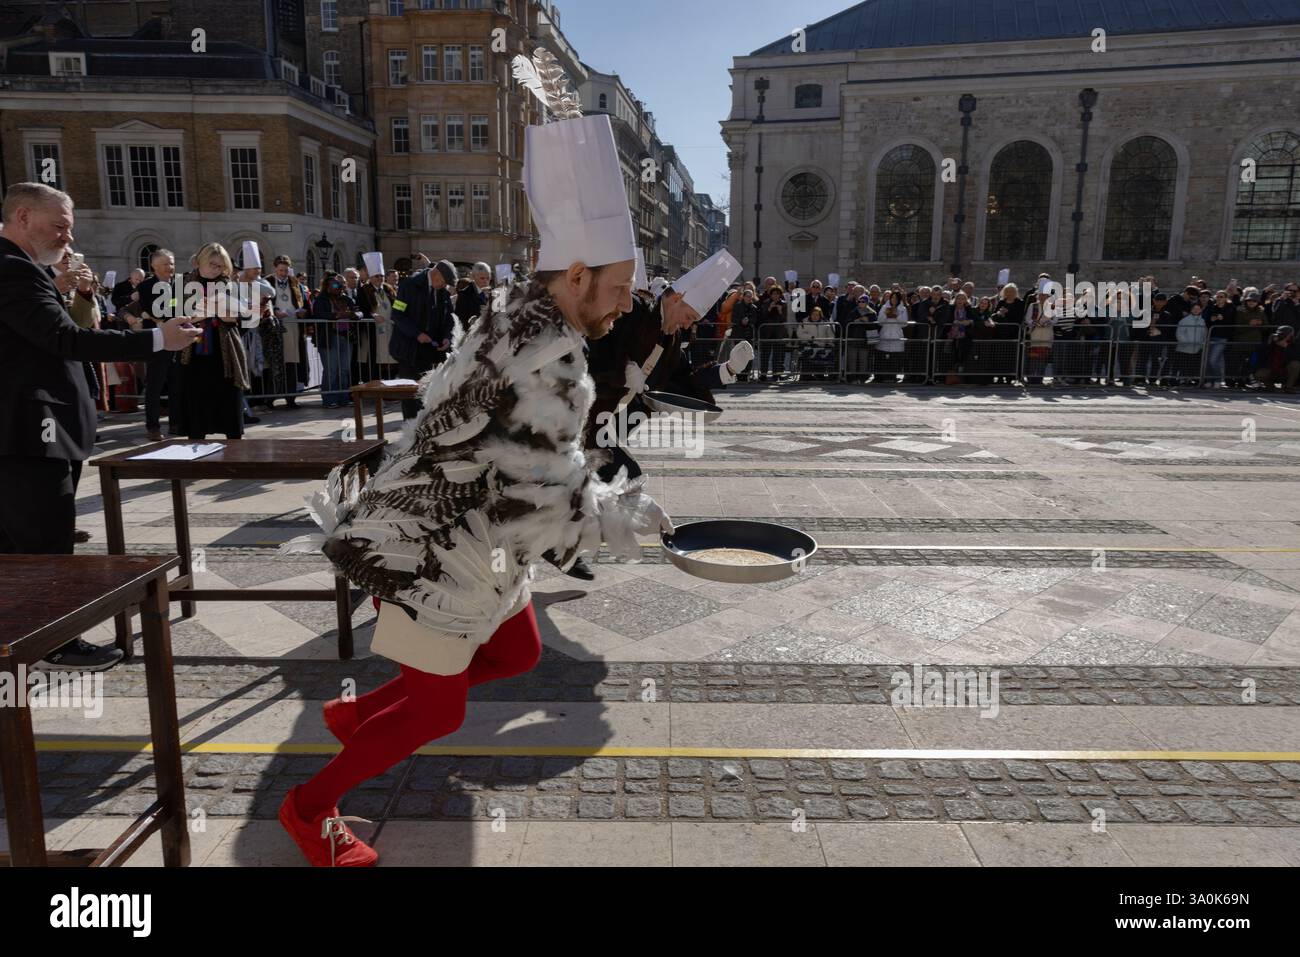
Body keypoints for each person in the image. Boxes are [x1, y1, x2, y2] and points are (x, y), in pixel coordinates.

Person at [277, 67, 672, 867]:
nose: (628, 301)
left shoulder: (516, 306)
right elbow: (542, 490)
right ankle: (309, 807)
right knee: (437, 714)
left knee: (520, 651)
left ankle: (359, 716)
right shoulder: (552, 355)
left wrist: (589, 491)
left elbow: (528, 455)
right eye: (621, 286)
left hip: (477, 533)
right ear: (575, 276)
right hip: (437, 544)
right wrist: (614, 515)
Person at [0, 182, 201, 670]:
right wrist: (158, 339)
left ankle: (25, 639)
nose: (67, 239)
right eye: (60, 226)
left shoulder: (28, 270)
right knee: (43, 545)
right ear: (23, 216)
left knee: (32, 543)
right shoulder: (11, 270)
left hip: (34, 430)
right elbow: (64, 339)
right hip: (30, 432)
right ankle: (48, 642)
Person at [169, 243, 251, 440]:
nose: (216, 269)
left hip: (225, 354)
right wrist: (198, 314)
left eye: (220, 266)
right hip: (193, 353)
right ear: (200, 262)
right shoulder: (181, 284)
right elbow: (171, 314)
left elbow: (246, 319)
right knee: (196, 403)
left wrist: (230, 316)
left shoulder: (231, 285)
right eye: (212, 264)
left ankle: (234, 451)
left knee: (228, 402)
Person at [390, 259, 458, 419]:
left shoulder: (443, 292)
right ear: (436, 274)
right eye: (443, 282)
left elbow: (449, 318)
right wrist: (416, 334)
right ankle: (410, 428)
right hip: (408, 349)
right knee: (411, 393)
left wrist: (447, 337)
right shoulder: (409, 285)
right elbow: (397, 315)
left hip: (429, 351)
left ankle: (422, 426)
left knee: (427, 392)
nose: (444, 286)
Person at [265, 255, 310, 407]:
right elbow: (264, 301)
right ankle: (270, 397)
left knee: (291, 363)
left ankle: (290, 397)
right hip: (274, 328)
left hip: (292, 328)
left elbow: (303, 301)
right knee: (275, 363)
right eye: (280, 270)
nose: (283, 273)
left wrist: (302, 311)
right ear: (275, 269)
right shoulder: (268, 282)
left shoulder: (294, 283)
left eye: (285, 270)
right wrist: (274, 310)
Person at [312, 271, 359, 408]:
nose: (338, 286)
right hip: (329, 337)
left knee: (344, 369)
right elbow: (318, 314)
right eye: (334, 283)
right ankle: (329, 399)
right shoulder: (321, 300)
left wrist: (355, 315)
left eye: (340, 284)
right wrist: (336, 315)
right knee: (331, 370)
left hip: (346, 337)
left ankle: (344, 398)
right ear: (327, 285)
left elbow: (358, 311)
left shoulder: (346, 299)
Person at [356, 251, 398, 381]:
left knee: (390, 357)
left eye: (381, 276)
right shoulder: (363, 291)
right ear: (370, 277)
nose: (380, 278)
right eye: (376, 276)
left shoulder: (389, 289)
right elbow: (360, 308)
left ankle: (389, 384)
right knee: (376, 357)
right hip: (374, 331)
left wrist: (402, 313)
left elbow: (397, 305)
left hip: (390, 329)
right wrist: (372, 315)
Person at [455, 261, 492, 333]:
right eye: (482, 278)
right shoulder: (464, 295)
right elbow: (460, 322)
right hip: (473, 337)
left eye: (488, 278)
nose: (486, 281)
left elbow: (501, 317)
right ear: (474, 277)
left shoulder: (496, 293)